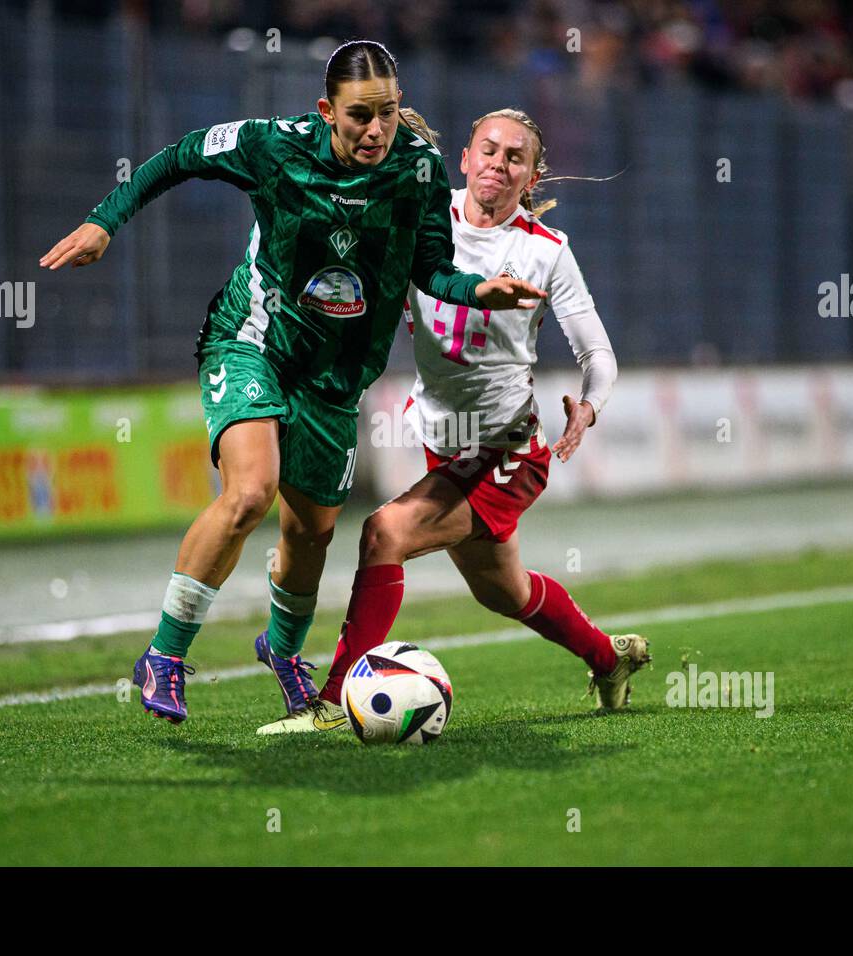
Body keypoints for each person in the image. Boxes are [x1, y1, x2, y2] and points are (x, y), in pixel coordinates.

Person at [39, 41, 546, 724]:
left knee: (311, 533)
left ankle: (282, 652)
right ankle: (164, 655)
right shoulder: (273, 146)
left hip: (336, 378)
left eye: (388, 114)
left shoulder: (420, 170)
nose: (375, 131)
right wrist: (106, 221)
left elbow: (431, 268)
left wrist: (477, 291)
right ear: (325, 111)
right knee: (250, 492)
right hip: (256, 341)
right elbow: (181, 155)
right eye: (360, 115)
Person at [254, 108, 650, 735]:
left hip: (506, 447)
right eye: (487, 150)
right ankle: (610, 657)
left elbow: (597, 353)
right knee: (503, 591)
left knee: (385, 533)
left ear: (533, 176)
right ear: (464, 160)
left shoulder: (546, 252)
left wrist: (589, 404)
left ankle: (328, 704)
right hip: (444, 445)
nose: (499, 162)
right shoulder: (423, 221)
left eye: (515, 156)